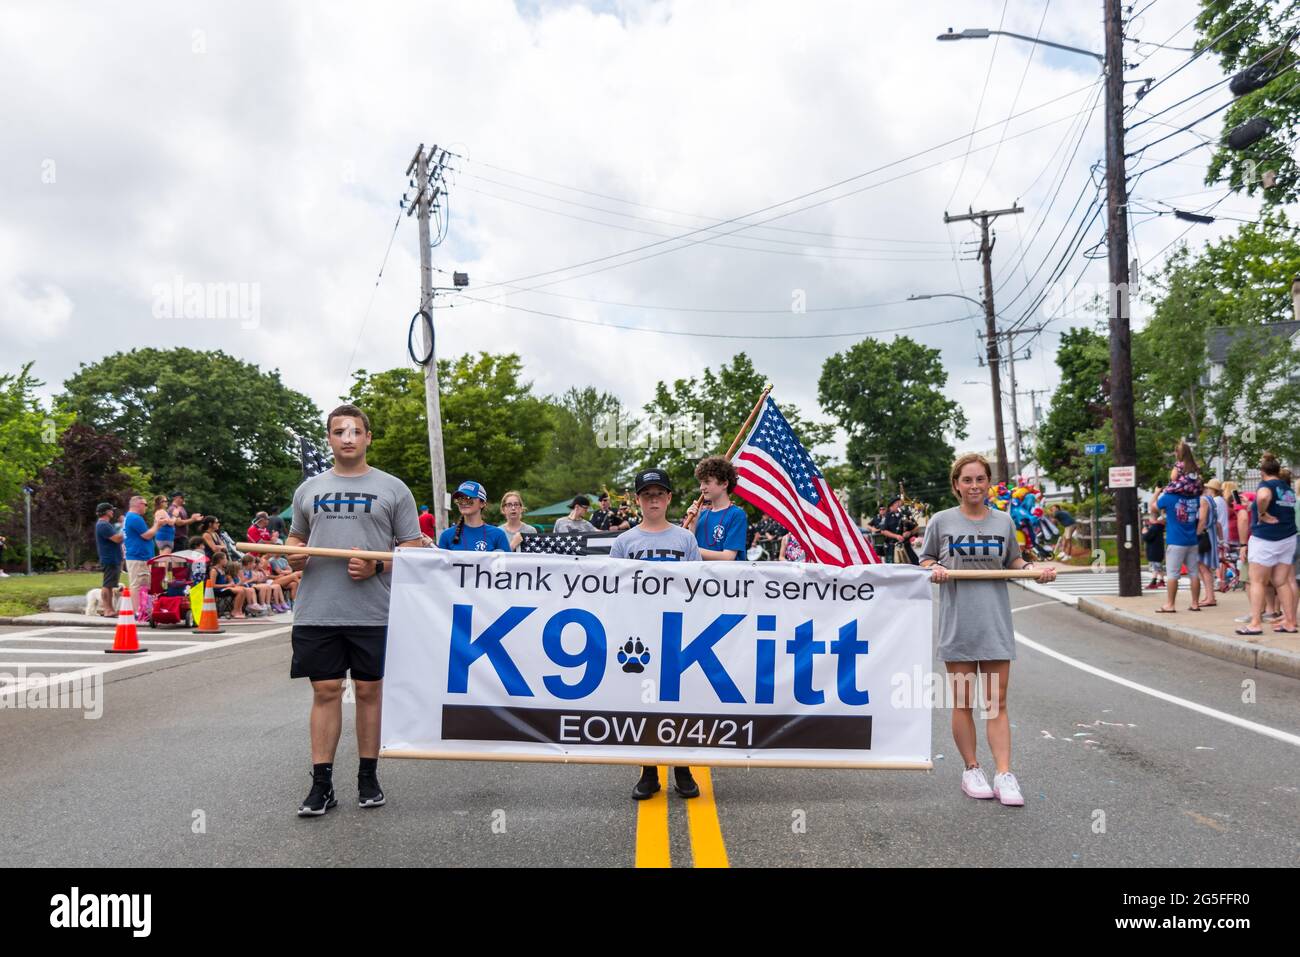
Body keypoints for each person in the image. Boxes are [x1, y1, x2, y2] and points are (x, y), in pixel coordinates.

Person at [284, 404, 426, 817]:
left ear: (368, 438)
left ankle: (368, 776)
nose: (347, 437)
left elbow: (414, 551)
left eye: (355, 430)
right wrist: (293, 556)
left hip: (374, 611)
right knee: (325, 691)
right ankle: (321, 784)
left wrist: (377, 565)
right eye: (338, 431)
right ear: (329, 438)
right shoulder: (307, 489)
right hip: (317, 610)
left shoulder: (394, 488)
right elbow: (295, 539)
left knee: (368, 691)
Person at [919, 453, 1056, 808]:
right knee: (963, 702)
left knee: (997, 702)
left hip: (995, 624)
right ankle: (972, 768)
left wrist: (1032, 568)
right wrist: (934, 568)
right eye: (967, 480)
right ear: (956, 485)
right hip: (959, 625)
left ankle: (1004, 773)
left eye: (980, 479)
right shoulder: (941, 521)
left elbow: (1013, 560)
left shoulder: (1004, 521)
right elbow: (925, 558)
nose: (975, 486)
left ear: (989, 483)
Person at [610, 468, 702, 801]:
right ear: (638, 500)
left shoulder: (685, 539)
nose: (653, 499)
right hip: (640, 633)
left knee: (679, 701)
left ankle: (682, 768)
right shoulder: (624, 541)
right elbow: (612, 587)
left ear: (669, 498)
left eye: (659, 494)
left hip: (678, 631)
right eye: (647, 494)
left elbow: (699, 587)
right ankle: (649, 771)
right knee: (644, 701)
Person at [1237, 452, 1298, 637]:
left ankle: (1255, 623)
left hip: (1266, 538)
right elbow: (1275, 503)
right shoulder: (1286, 488)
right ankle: (1290, 621)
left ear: (1262, 471)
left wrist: (1262, 514)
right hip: (1287, 538)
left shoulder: (1265, 485)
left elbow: (1264, 497)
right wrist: (1254, 507)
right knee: (1282, 581)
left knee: (1257, 581)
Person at [1150, 481, 1208, 613]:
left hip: (1175, 541)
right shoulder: (1194, 498)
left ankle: (1170, 604)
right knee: (1194, 573)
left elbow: (1152, 508)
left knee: (1172, 574)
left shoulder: (1169, 498)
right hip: (1192, 540)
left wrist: (1157, 492)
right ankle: (1195, 603)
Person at [683, 456, 747, 561]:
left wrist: (691, 549)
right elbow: (691, 558)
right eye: (701, 483)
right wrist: (692, 526)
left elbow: (728, 557)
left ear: (724, 484)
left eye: (707, 482)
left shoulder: (737, 514)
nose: (701, 487)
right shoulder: (701, 515)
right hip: (700, 576)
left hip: (725, 577)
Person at [438, 481, 513, 552]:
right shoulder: (447, 535)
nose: (464, 502)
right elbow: (440, 564)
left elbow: (508, 563)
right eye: (460, 499)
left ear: (482, 503)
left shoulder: (497, 535)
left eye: (468, 498)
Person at [122, 495, 165, 597]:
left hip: (136, 556)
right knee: (139, 586)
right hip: (139, 557)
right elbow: (147, 535)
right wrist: (157, 525)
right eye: (145, 505)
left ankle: (140, 611)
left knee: (139, 585)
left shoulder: (130, 517)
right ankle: (139, 612)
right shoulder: (135, 518)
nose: (146, 507)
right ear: (139, 505)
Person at [94, 502, 124, 618]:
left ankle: (109, 609)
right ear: (106, 512)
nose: (113, 512)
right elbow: (117, 539)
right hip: (110, 558)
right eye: (111, 510)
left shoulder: (104, 524)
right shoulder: (103, 525)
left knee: (109, 585)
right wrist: (125, 528)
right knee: (107, 585)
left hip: (111, 557)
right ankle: (107, 610)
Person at [207, 550, 252, 619]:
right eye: (225, 558)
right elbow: (212, 585)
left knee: (244, 589)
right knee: (240, 591)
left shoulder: (224, 569)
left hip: (225, 588)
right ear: (220, 560)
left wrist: (231, 583)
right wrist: (227, 585)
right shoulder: (214, 570)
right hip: (218, 590)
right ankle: (234, 611)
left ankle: (239, 610)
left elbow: (230, 581)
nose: (227, 560)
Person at [1142, 513, 1166, 590]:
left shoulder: (1154, 528)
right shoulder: (1159, 527)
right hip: (1158, 549)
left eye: (1150, 519)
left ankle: (1153, 582)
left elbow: (1146, 538)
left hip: (1153, 550)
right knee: (1158, 566)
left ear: (1153, 519)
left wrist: (1144, 532)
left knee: (1154, 566)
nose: (1149, 521)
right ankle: (1161, 580)